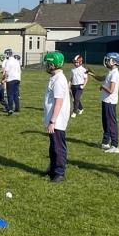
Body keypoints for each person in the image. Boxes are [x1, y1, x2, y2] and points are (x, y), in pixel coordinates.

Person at [42, 51, 71, 183]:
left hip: (57, 120)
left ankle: (59, 172)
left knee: (59, 146)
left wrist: (53, 121)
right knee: (53, 145)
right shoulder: (54, 78)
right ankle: (52, 168)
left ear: (53, 64)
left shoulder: (59, 79)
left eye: (48, 63)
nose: (47, 66)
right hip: (52, 119)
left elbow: (58, 101)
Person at [87, 52, 119, 153]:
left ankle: (115, 146)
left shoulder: (115, 74)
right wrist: (91, 73)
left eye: (108, 60)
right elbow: (101, 78)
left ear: (114, 62)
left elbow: (111, 90)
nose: (106, 61)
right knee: (106, 122)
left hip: (110, 102)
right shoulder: (110, 72)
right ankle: (105, 142)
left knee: (111, 123)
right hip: (105, 101)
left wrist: (103, 87)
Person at [4, 49, 22, 115]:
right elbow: (19, 71)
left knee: (10, 95)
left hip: (10, 79)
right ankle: (17, 108)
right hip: (17, 79)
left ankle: (10, 108)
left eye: (6, 54)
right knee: (16, 94)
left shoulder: (8, 61)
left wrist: (5, 79)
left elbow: (6, 72)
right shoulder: (16, 61)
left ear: (8, 54)